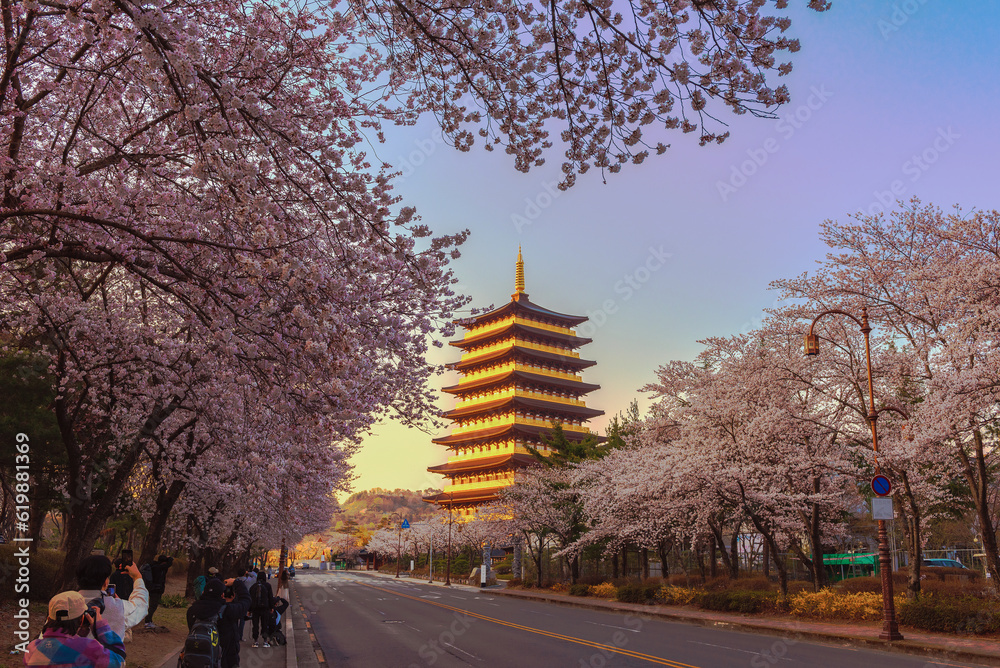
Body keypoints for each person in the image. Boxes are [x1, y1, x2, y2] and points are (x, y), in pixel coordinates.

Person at [23, 590, 126, 667]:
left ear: (49, 618)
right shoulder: (89, 648)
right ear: (82, 620)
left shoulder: (32, 649)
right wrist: (101, 628)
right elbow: (119, 661)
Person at [77, 554, 149, 646]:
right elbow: (141, 605)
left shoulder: (63, 603)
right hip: (109, 659)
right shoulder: (118, 607)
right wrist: (137, 577)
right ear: (106, 582)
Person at [186, 578, 250, 668]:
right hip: (225, 661)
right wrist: (237, 583)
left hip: (197, 661)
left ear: (204, 592)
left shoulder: (192, 611)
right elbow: (246, 601)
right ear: (222, 595)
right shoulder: (228, 610)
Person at [143, 554, 174, 628]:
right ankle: (147, 622)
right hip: (156, 589)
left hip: (152, 588)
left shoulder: (154, 566)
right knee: (153, 606)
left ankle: (148, 620)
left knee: (152, 605)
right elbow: (170, 563)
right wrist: (170, 558)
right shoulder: (160, 568)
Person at [248, 571, 274, 648]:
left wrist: (249, 610)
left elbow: (250, 599)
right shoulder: (268, 586)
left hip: (255, 608)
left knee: (255, 625)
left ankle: (255, 641)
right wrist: (271, 607)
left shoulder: (253, 586)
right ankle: (265, 641)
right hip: (265, 608)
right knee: (264, 624)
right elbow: (270, 597)